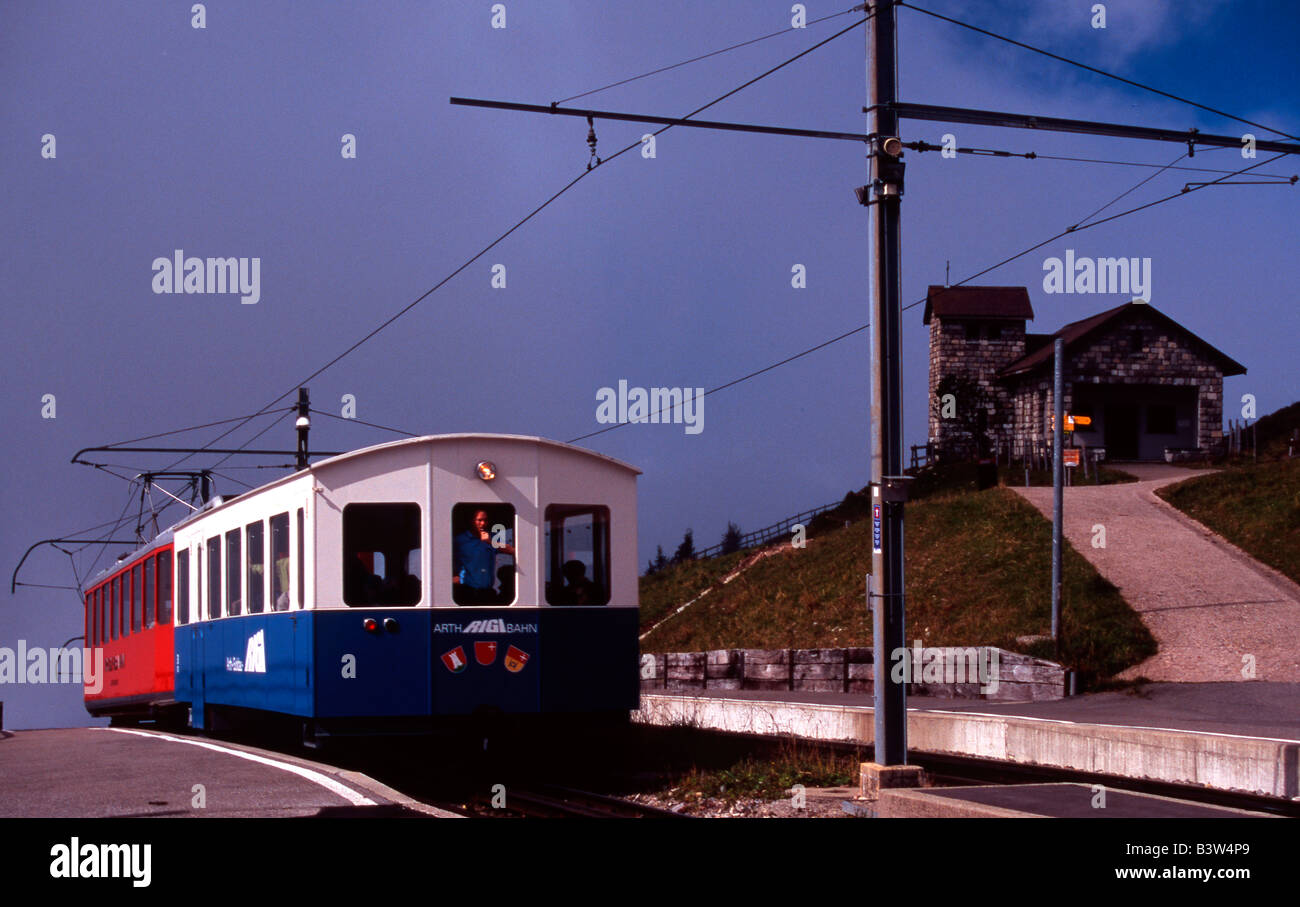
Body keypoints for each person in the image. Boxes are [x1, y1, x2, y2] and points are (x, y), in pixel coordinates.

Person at [453, 509, 514, 603]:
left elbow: (513, 551)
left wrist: (490, 542)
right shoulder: (460, 540)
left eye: (485, 520)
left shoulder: (492, 537)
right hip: (466, 590)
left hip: (487, 591)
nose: (483, 523)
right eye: (479, 520)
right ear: (472, 521)